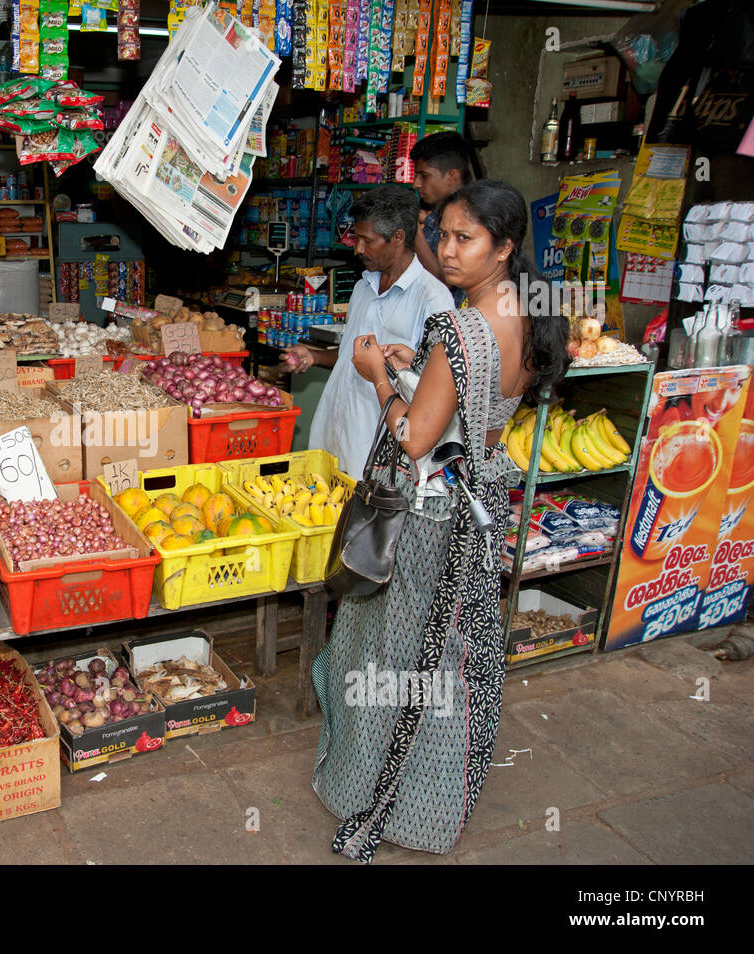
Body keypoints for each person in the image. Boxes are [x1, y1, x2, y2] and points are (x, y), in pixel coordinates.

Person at [311, 179, 569, 862]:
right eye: (444, 235)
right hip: (479, 504)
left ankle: (374, 787)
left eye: (466, 239)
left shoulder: (458, 327)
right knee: (447, 660)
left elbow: (416, 438)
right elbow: (476, 403)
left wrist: (377, 375)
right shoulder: (525, 312)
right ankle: (434, 791)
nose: (447, 252)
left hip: (427, 515)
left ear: (503, 245)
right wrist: (417, 366)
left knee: (388, 657)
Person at [282, 185, 453, 476]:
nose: (358, 248)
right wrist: (313, 356)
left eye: (367, 240)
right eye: (357, 237)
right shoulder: (364, 286)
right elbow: (352, 353)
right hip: (332, 432)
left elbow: (436, 386)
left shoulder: (432, 299)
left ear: (398, 237)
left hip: (377, 449)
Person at [410, 131, 476, 286]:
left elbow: (444, 282)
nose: (416, 184)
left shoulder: (471, 217)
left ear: (452, 176)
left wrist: (413, 230)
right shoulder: (435, 214)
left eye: (424, 176)